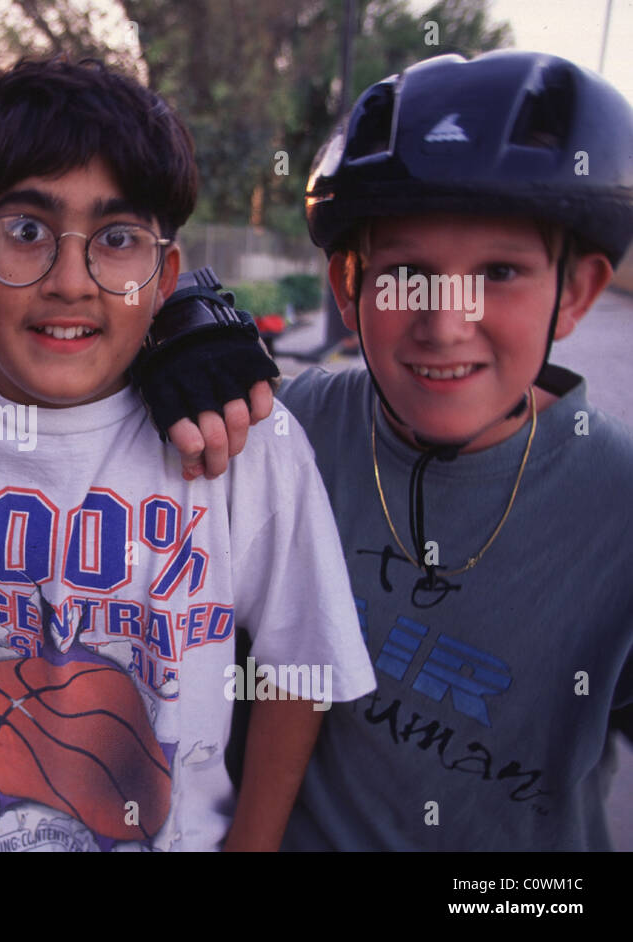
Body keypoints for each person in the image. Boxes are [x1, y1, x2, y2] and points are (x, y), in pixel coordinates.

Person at [0, 56, 376, 851]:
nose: (70, 280)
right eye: (26, 233)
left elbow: (302, 670)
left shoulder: (246, 444)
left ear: (164, 278)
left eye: (117, 239)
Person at [269, 50, 633, 850]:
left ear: (574, 293)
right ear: (346, 285)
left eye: (500, 272)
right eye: (406, 274)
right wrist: (181, 351)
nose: (444, 322)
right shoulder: (292, 426)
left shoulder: (619, 505)